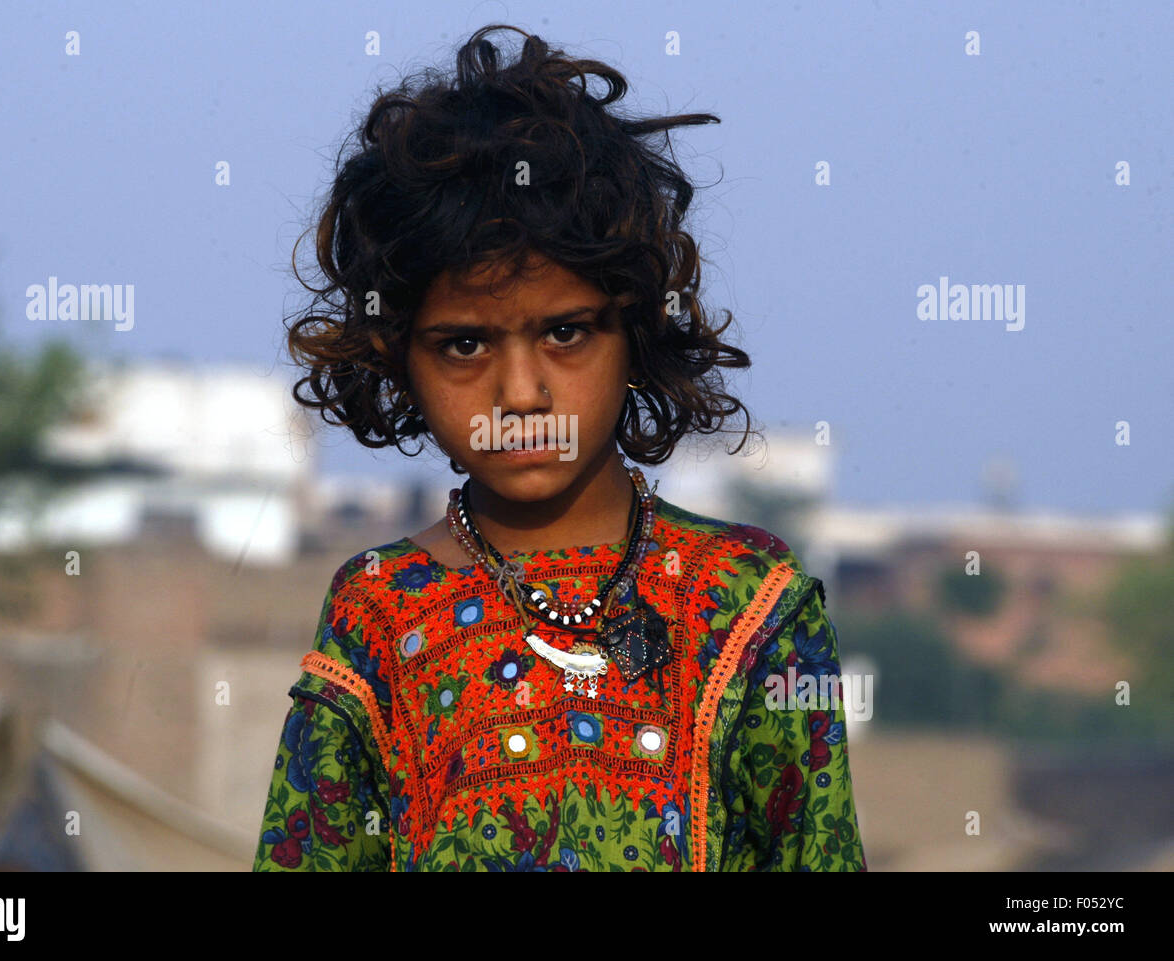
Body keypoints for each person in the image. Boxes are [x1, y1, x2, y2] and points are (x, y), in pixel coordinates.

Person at [253, 23, 866, 872]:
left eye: (566, 332)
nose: (520, 392)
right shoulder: (380, 611)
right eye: (464, 344)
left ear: (637, 326)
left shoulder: (753, 607)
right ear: (400, 357)